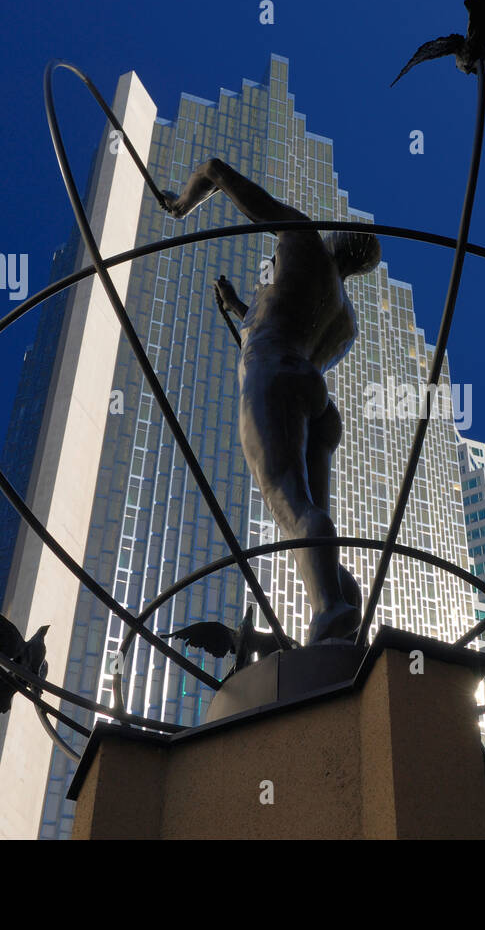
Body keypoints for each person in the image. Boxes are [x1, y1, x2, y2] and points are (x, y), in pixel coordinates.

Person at [164, 158, 381, 642]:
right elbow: (275, 331)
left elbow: (216, 170)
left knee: (291, 506)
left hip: (277, 375)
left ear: (337, 236)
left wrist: (181, 204)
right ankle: (344, 612)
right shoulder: (346, 321)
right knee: (304, 518)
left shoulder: (302, 239)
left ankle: (331, 611)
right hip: (316, 402)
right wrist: (237, 307)